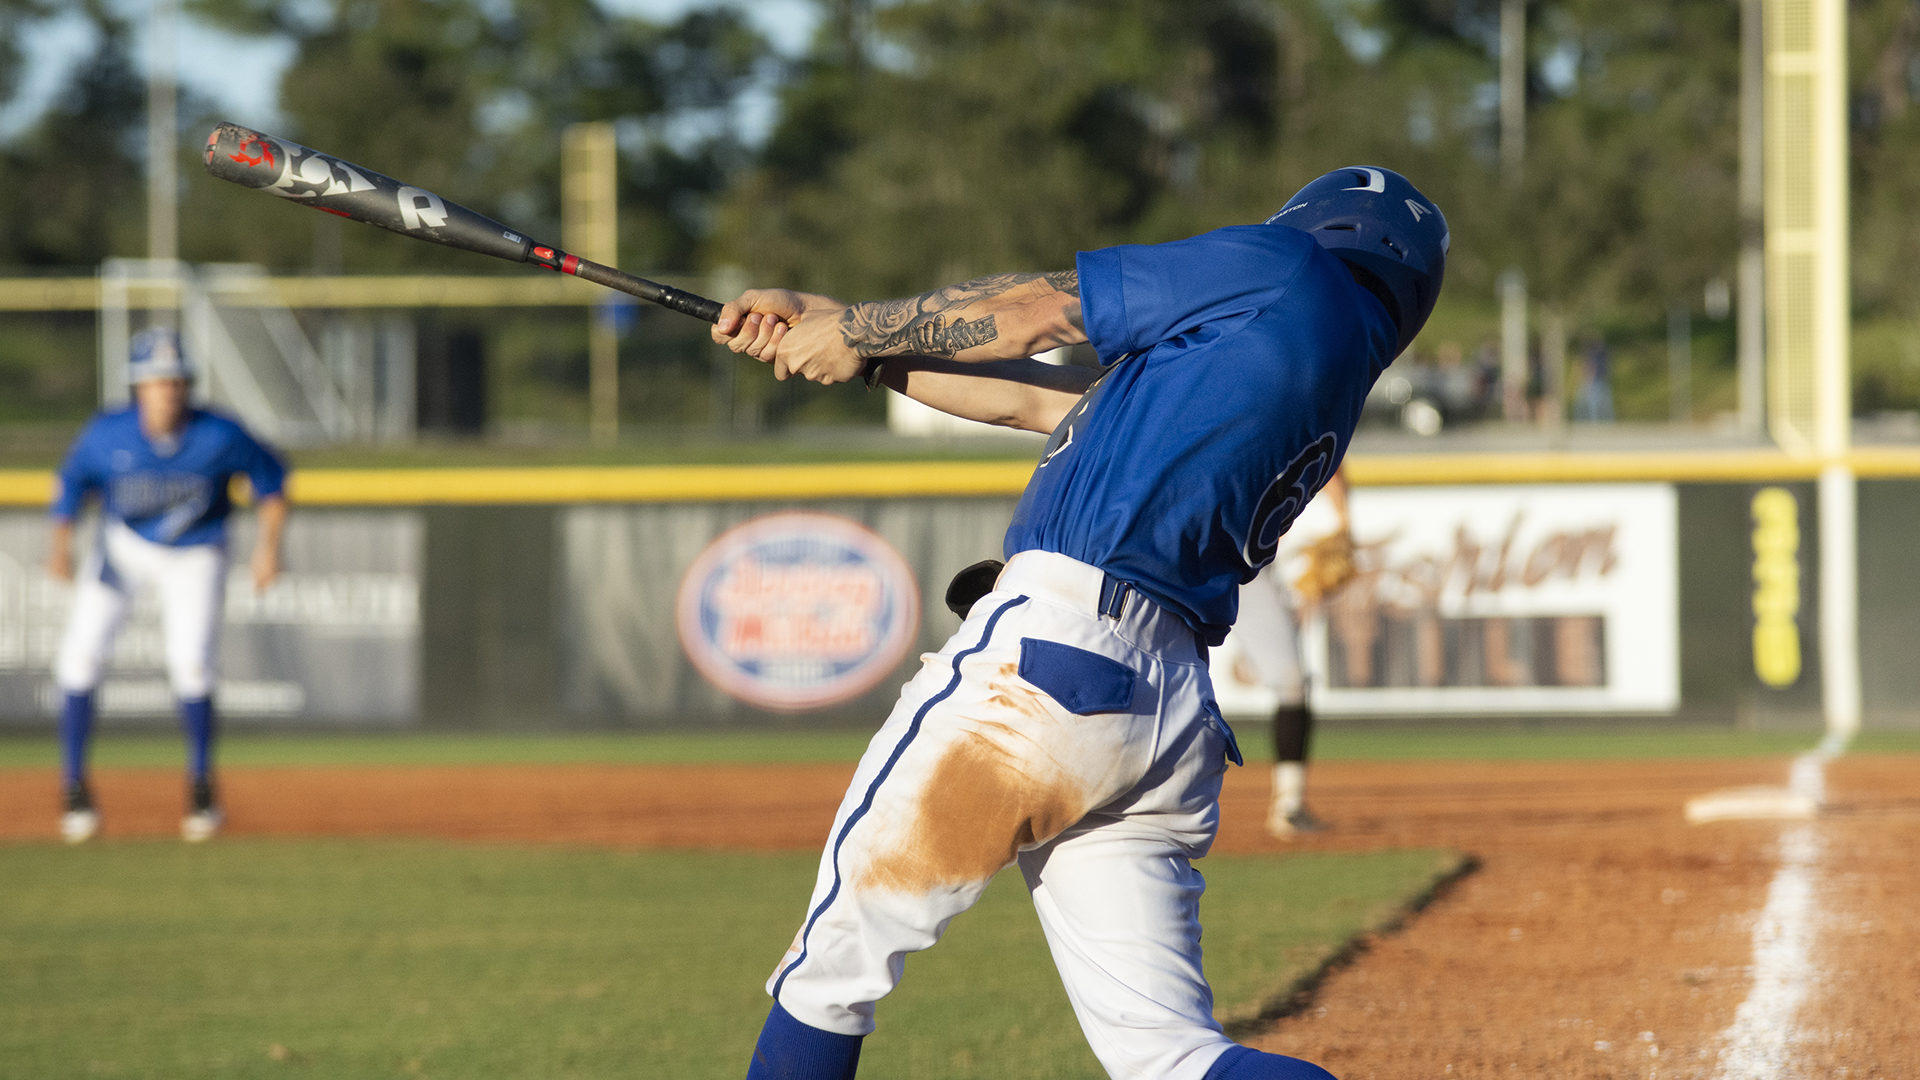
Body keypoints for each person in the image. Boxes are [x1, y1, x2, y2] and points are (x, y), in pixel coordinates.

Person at [713, 166, 1446, 1080]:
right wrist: (857, 338)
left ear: (1316, 227)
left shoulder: (1285, 268)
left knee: (828, 977)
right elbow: (1027, 396)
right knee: (1172, 1057)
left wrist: (858, 325)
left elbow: (1036, 310)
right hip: (1168, 716)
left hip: (1053, 662)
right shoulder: (1307, 369)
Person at [48, 327, 290, 844]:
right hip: (124, 548)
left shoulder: (219, 434)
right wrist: (60, 544)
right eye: (157, 381)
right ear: (137, 386)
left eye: (176, 380)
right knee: (79, 659)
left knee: (192, 663)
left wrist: (269, 548)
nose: (167, 390)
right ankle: (74, 787)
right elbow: (70, 484)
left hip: (197, 551)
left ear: (188, 385)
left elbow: (272, 484)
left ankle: (201, 785)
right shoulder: (107, 433)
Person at [1234, 466, 1353, 838]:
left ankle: (1290, 804)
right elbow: (1333, 468)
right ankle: (1289, 806)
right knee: (1291, 683)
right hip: (1238, 560)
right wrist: (1347, 522)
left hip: (1246, 558)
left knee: (1291, 683)